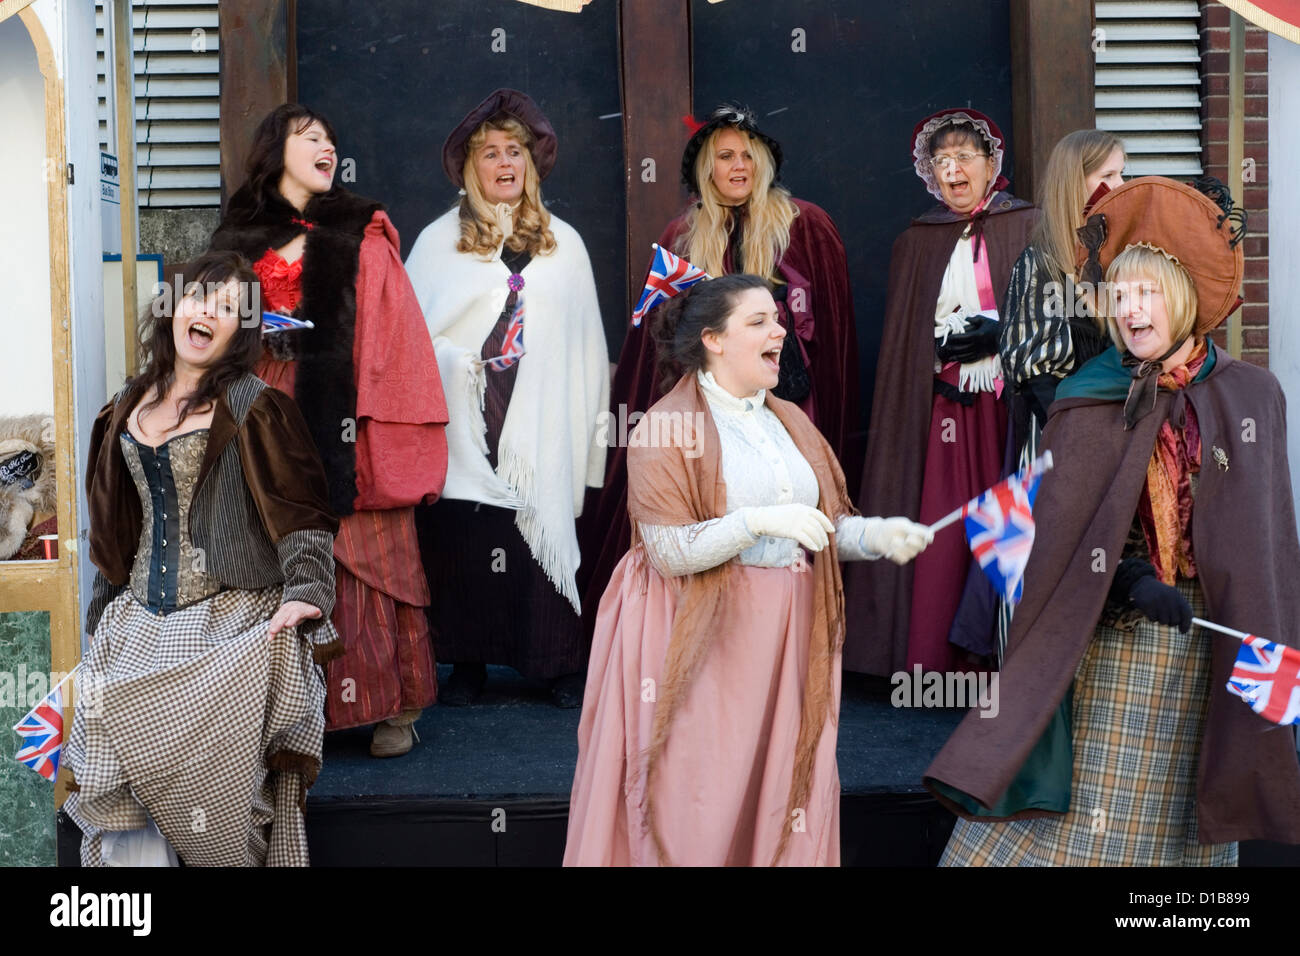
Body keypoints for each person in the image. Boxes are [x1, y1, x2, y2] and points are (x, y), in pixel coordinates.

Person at [925, 177, 1300, 865]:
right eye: (1118, 296)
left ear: (1182, 296)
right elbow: (1061, 532)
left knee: (1178, 837)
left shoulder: (1253, 396)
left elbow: (1267, 542)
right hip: (1109, 648)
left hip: (1204, 653)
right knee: (1070, 835)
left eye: (1147, 293)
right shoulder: (1091, 395)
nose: (1130, 311)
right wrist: (1128, 581)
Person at [564, 274, 930, 866]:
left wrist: (877, 534)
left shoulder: (788, 419)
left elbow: (821, 526)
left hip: (782, 633)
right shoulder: (665, 425)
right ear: (712, 338)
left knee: (780, 785)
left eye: (777, 318)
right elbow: (670, 553)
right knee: (697, 795)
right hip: (693, 632)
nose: (779, 330)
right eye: (758, 322)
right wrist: (759, 521)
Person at [62, 251, 340, 866]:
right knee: (121, 796)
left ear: (241, 332)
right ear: (171, 308)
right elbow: (119, 526)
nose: (208, 312)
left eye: (228, 308)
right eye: (198, 297)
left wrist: (305, 591)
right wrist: (104, 608)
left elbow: (303, 514)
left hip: (227, 622)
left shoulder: (256, 408)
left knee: (214, 804)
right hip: (137, 624)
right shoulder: (123, 407)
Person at [208, 104, 449, 758]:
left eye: (331, 140)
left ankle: (389, 705)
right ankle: (282, 714)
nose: (325, 147)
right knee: (269, 548)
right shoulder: (236, 238)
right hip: (264, 403)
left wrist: (368, 419)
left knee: (364, 543)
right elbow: (207, 327)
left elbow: (394, 339)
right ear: (273, 152)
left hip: (344, 406)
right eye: (308, 136)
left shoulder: (359, 232)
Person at [582, 104, 860, 648]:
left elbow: (836, 332)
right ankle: (707, 638)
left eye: (747, 155)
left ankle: (792, 639)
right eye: (724, 156)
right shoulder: (681, 234)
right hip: (706, 407)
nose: (738, 166)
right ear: (706, 168)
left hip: (790, 404)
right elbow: (655, 336)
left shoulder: (807, 225)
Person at [404, 89, 609, 708]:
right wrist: (459, 365)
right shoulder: (440, 242)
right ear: (472, 166)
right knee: (465, 540)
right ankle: (466, 663)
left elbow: (587, 348)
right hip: (466, 418)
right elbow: (413, 338)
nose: (504, 163)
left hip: (540, 418)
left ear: (530, 163)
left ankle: (551, 662)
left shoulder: (564, 245)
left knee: (533, 534)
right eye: (490, 153)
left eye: (514, 151)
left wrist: (591, 440)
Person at [844, 108, 1037, 676]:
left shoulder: (1028, 225)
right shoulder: (917, 242)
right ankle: (935, 660)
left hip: (1007, 409)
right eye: (941, 161)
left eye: (965, 158)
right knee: (945, 523)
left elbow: (1058, 321)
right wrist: (932, 351)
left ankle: (1000, 655)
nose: (953, 171)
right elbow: (904, 343)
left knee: (1004, 515)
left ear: (990, 164)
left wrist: (1006, 335)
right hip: (944, 414)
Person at [1001, 129, 1125, 475]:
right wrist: (1079, 444)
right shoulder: (1040, 261)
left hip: (1124, 433)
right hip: (1063, 442)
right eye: (1108, 175)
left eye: (1122, 173)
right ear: (1075, 183)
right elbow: (1035, 377)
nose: (1121, 185)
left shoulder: (1123, 254)